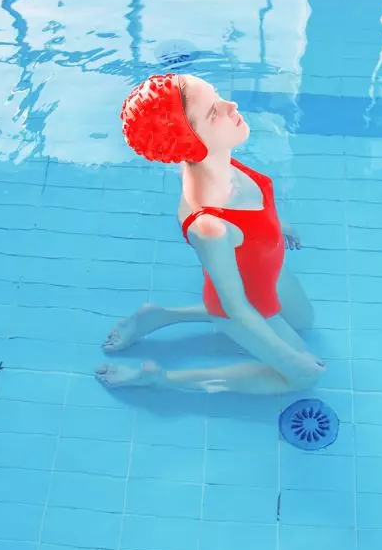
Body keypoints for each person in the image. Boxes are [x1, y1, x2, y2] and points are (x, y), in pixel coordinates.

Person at [96, 73, 325, 394]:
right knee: (304, 377)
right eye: (214, 112)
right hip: (242, 301)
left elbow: (252, 210)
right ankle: (160, 378)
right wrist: (289, 358)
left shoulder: (215, 161)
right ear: (190, 140)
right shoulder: (209, 226)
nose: (231, 105)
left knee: (304, 323)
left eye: (217, 96)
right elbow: (236, 308)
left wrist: (276, 226)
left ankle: (160, 315)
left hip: (267, 267)